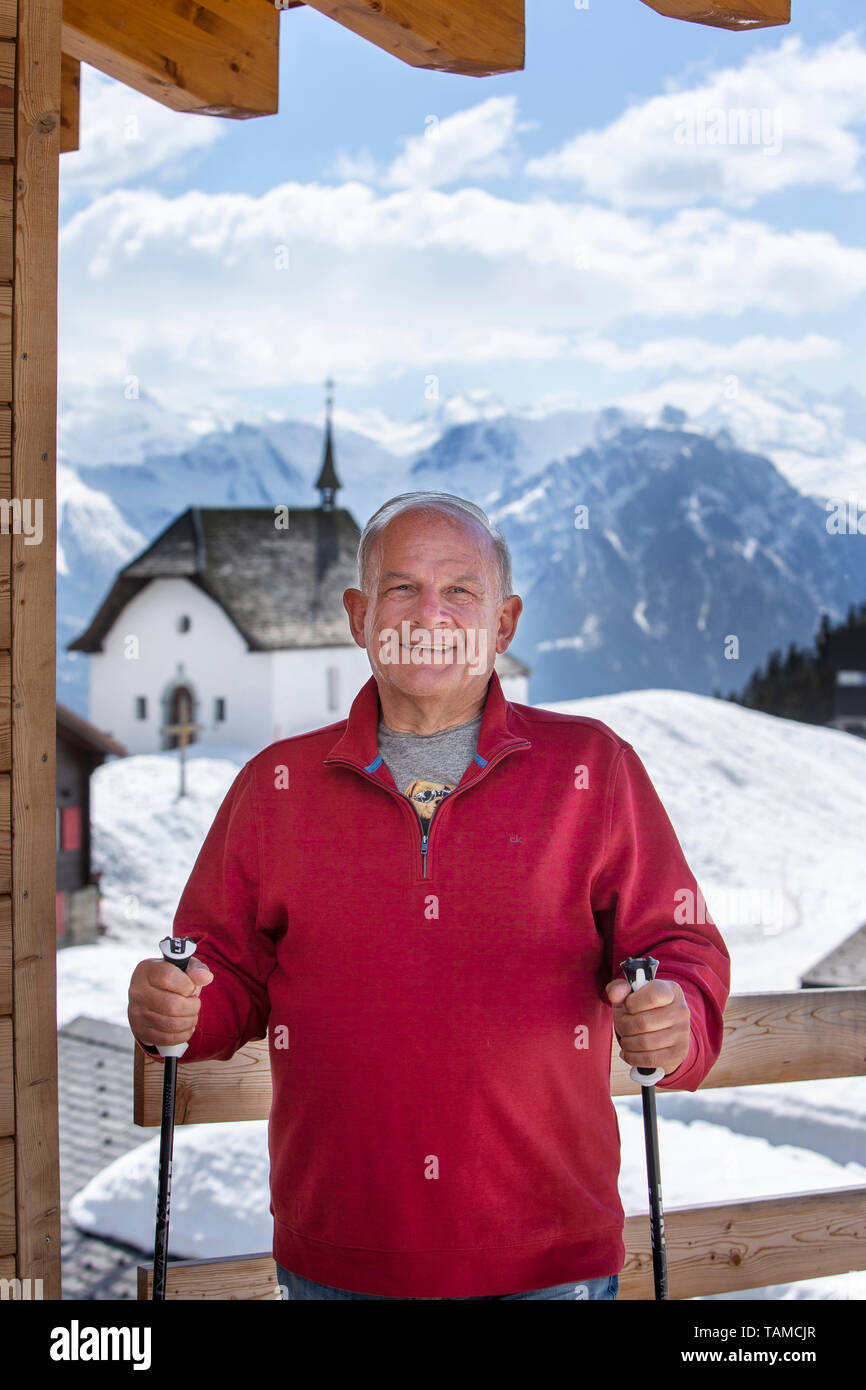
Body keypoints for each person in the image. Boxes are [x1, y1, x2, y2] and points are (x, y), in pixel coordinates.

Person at [128, 490, 730, 1301]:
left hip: (547, 1263)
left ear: (505, 623)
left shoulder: (593, 769)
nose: (428, 613)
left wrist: (678, 1016)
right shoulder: (275, 786)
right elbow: (222, 974)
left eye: (461, 590)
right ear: (358, 614)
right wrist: (177, 1006)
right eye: (402, 586)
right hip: (337, 1259)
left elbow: (683, 949)